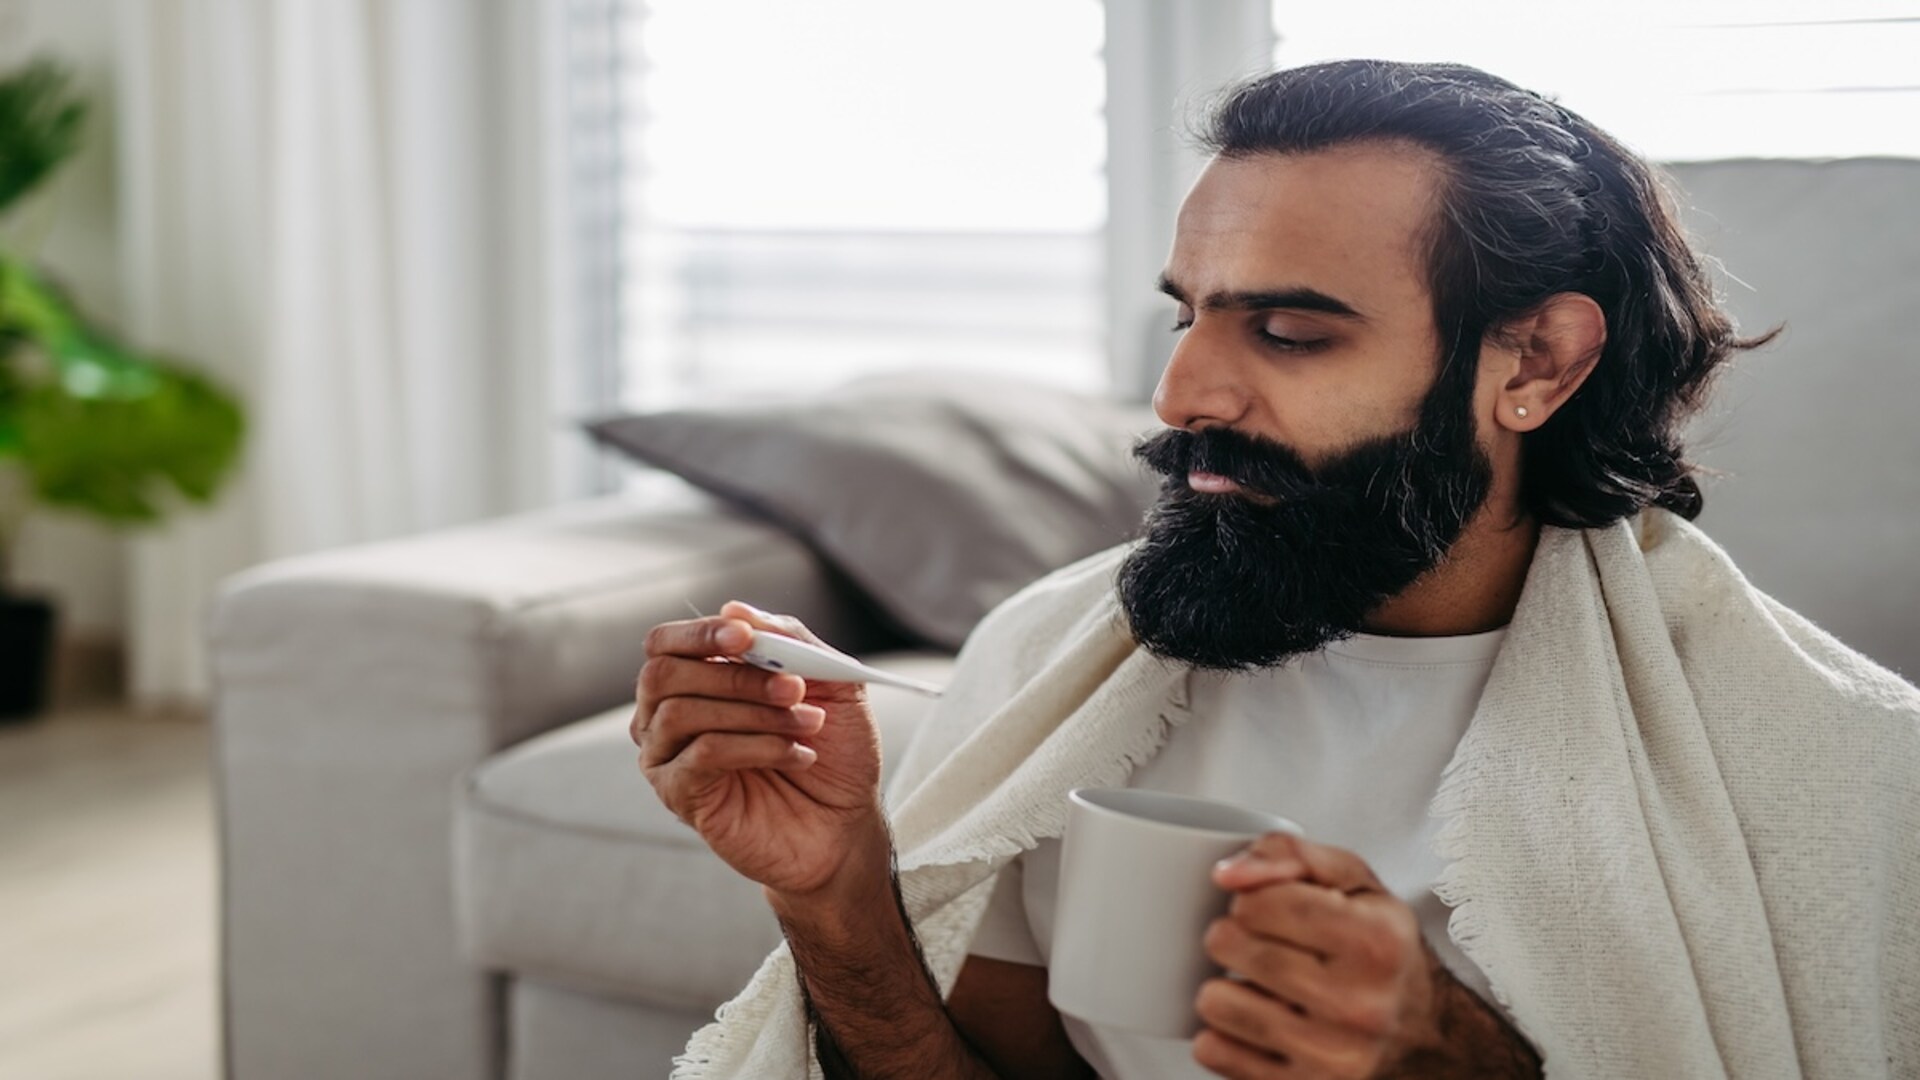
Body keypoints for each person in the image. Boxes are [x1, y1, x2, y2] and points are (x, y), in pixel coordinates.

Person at [631, 59, 1920, 1080]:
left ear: (1534, 363)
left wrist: (1439, 1060)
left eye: (1292, 332)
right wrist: (836, 889)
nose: (1181, 390)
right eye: (1186, 313)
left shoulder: (1833, 759)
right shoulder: (1046, 662)